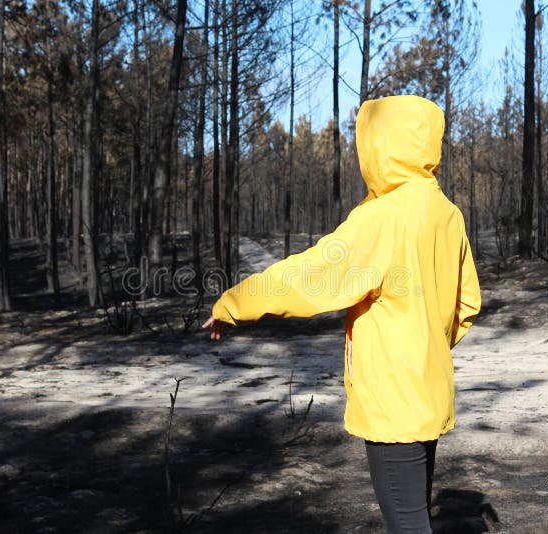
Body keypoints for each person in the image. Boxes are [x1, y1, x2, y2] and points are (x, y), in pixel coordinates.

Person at [202, 94, 481, 533]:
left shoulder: (381, 219)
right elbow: (466, 304)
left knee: (407, 526)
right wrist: (425, 347)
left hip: (394, 398)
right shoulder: (447, 214)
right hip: (427, 388)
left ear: (377, 147)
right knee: (415, 516)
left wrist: (234, 302)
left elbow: (309, 275)